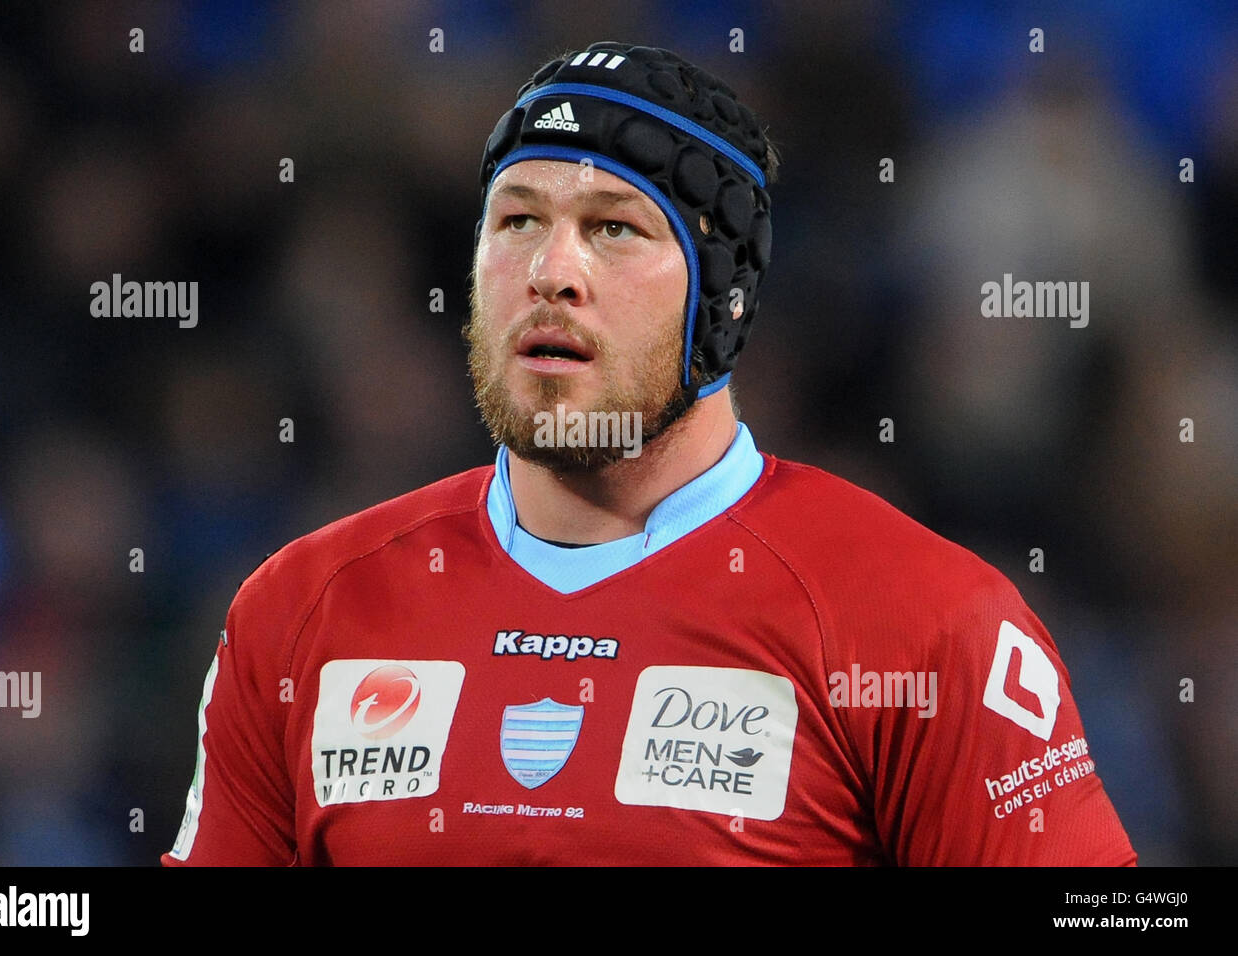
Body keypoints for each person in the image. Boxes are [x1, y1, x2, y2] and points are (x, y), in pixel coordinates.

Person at [163, 41, 1136, 866]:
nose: (551, 272)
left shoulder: (925, 622)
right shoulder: (298, 611)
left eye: (613, 228)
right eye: (518, 221)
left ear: (725, 303)